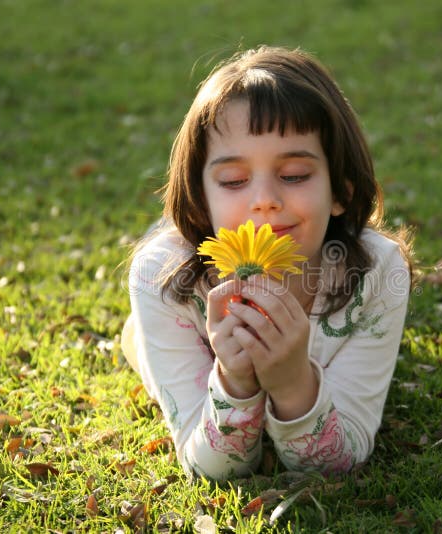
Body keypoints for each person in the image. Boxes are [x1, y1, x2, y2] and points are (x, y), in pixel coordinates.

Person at [122, 46, 416, 480]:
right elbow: (212, 468)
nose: (264, 200)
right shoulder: (162, 281)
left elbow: (341, 459)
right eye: (234, 180)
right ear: (200, 200)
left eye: (294, 175)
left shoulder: (377, 274)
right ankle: (137, 335)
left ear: (341, 191)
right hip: (177, 290)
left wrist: (293, 382)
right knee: (139, 339)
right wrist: (235, 381)